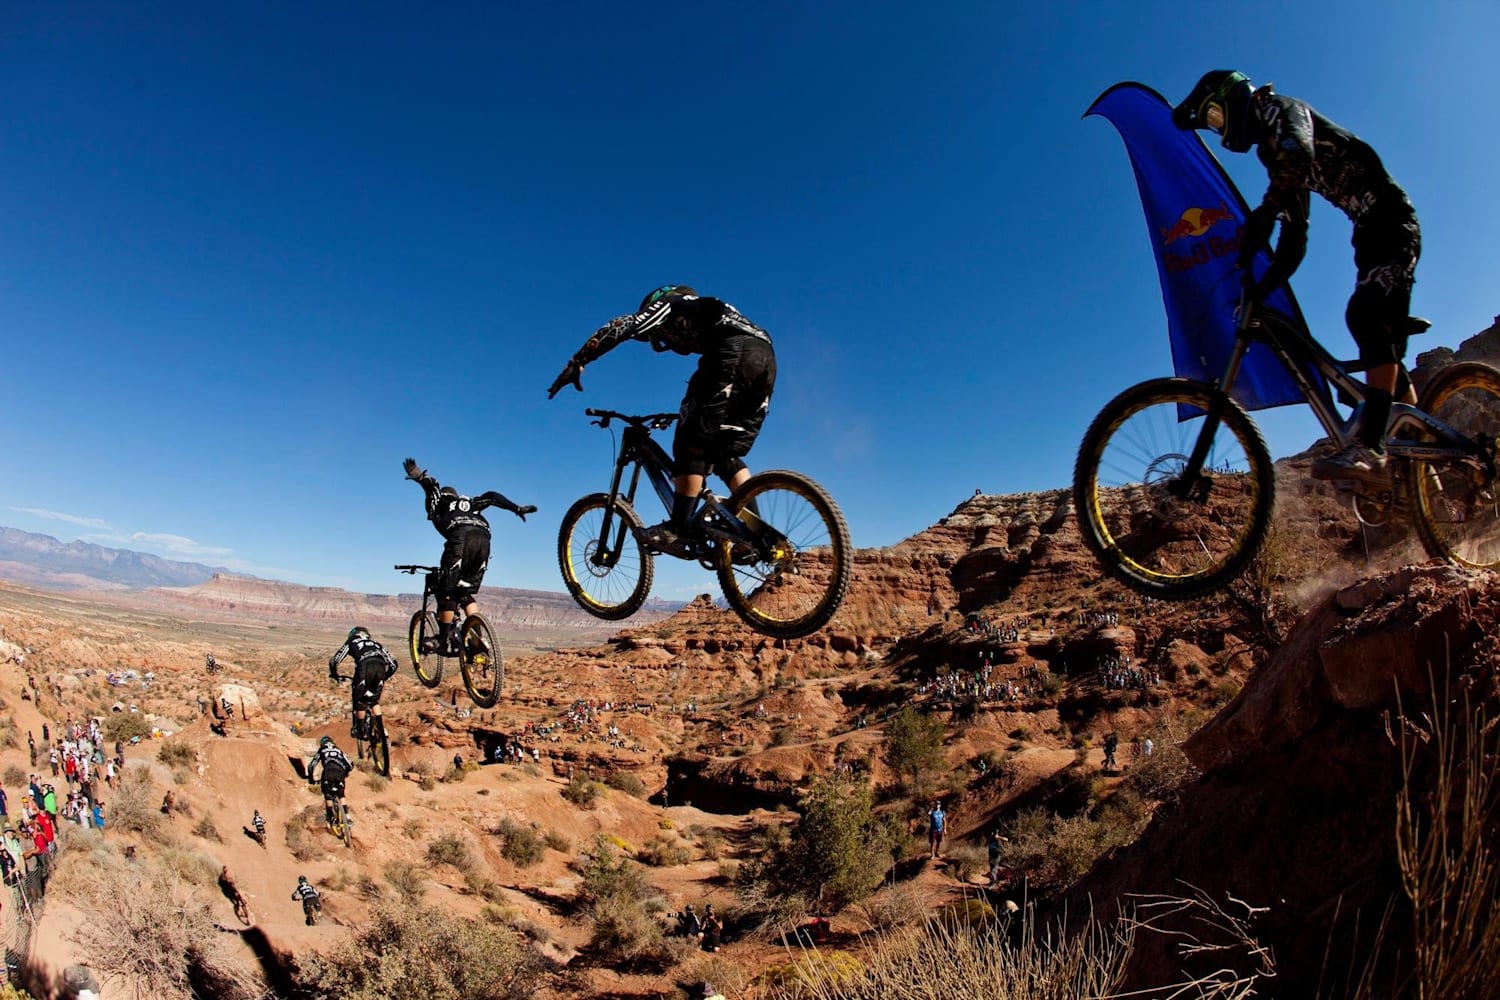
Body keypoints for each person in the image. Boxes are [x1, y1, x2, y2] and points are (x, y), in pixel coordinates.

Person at [1173, 71, 1421, 488]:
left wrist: (1264, 212)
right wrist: (1260, 286)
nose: (1219, 131)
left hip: (1393, 223)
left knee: (1364, 315)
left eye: (1215, 117)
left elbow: (1300, 151)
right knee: (1375, 338)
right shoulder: (1272, 156)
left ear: (1233, 97)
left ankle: (1372, 450)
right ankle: (1415, 464)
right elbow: (1294, 241)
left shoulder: (1283, 111)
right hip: (1368, 233)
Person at [547, 285, 777, 558]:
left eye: (661, 336)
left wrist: (579, 360)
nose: (664, 342)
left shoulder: (671, 303)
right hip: (766, 358)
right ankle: (754, 534)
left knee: (690, 443)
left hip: (732, 353)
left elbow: (625, 324)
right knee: (725, 451)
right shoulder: (709, 312)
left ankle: (678, 529)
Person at [402, 459, 535, 655]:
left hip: (461, 538)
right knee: (463, 592)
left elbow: (432, 487)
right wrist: (516, 509)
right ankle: (477, 638)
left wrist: (419, 476)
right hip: (484, 540)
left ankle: (441, 640)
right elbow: (491, 496)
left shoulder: (441, 501)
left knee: (446, 591)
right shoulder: (470, 503)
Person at [328, 627, 400, 741]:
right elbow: (394, 664)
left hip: (364, 667)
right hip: (381, 667)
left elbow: (335, 660)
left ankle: (361, 730)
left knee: (360, 700)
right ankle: (381, 728)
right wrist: (384, 676)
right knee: (374, 700)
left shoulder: (352, 641)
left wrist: (334, 674)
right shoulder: (376, 644)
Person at [306, 736, 354, 830]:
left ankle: (330, 817)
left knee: (327, 794)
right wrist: (346, 773)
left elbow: (312, 765)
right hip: (340, 771)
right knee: (341, 794)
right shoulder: (338, 750)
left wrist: (311, 779)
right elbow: (350, 763)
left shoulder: (322, 750)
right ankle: (347, 816)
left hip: (328, 771)